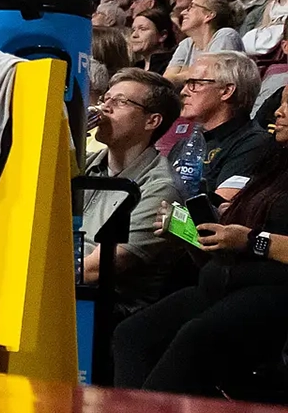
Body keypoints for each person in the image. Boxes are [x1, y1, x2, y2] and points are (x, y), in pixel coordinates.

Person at [113, 111, 288, 397]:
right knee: (132, 334)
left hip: (276, 290)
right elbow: (220, 254)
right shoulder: (273, 165)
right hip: (222, 281)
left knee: (196, 337)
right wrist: (189, 236)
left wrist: (252, 241)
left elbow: (248, 241)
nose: (278, 112)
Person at [82, 69, 184, 317]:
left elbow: (96, 270)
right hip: (65, 286)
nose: (105, 108)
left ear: (152, 121)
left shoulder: (161, 187)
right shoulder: (84, 164)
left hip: (106, 307)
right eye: (105, 99)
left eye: (120, 102)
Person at [179, 51, 270, 201]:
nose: (184, 91)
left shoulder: (254, 143)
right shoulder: (186, 142)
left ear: (227, 91)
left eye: (194, 84)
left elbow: (214, 210)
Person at [165, 0, 246, 84]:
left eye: (191, 7)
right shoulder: (186, 44)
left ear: (209, 15)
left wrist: (182, 74)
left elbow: (210, 77)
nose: (183, 12)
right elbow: (167, 81)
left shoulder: (226, 35)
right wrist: (191, 74)